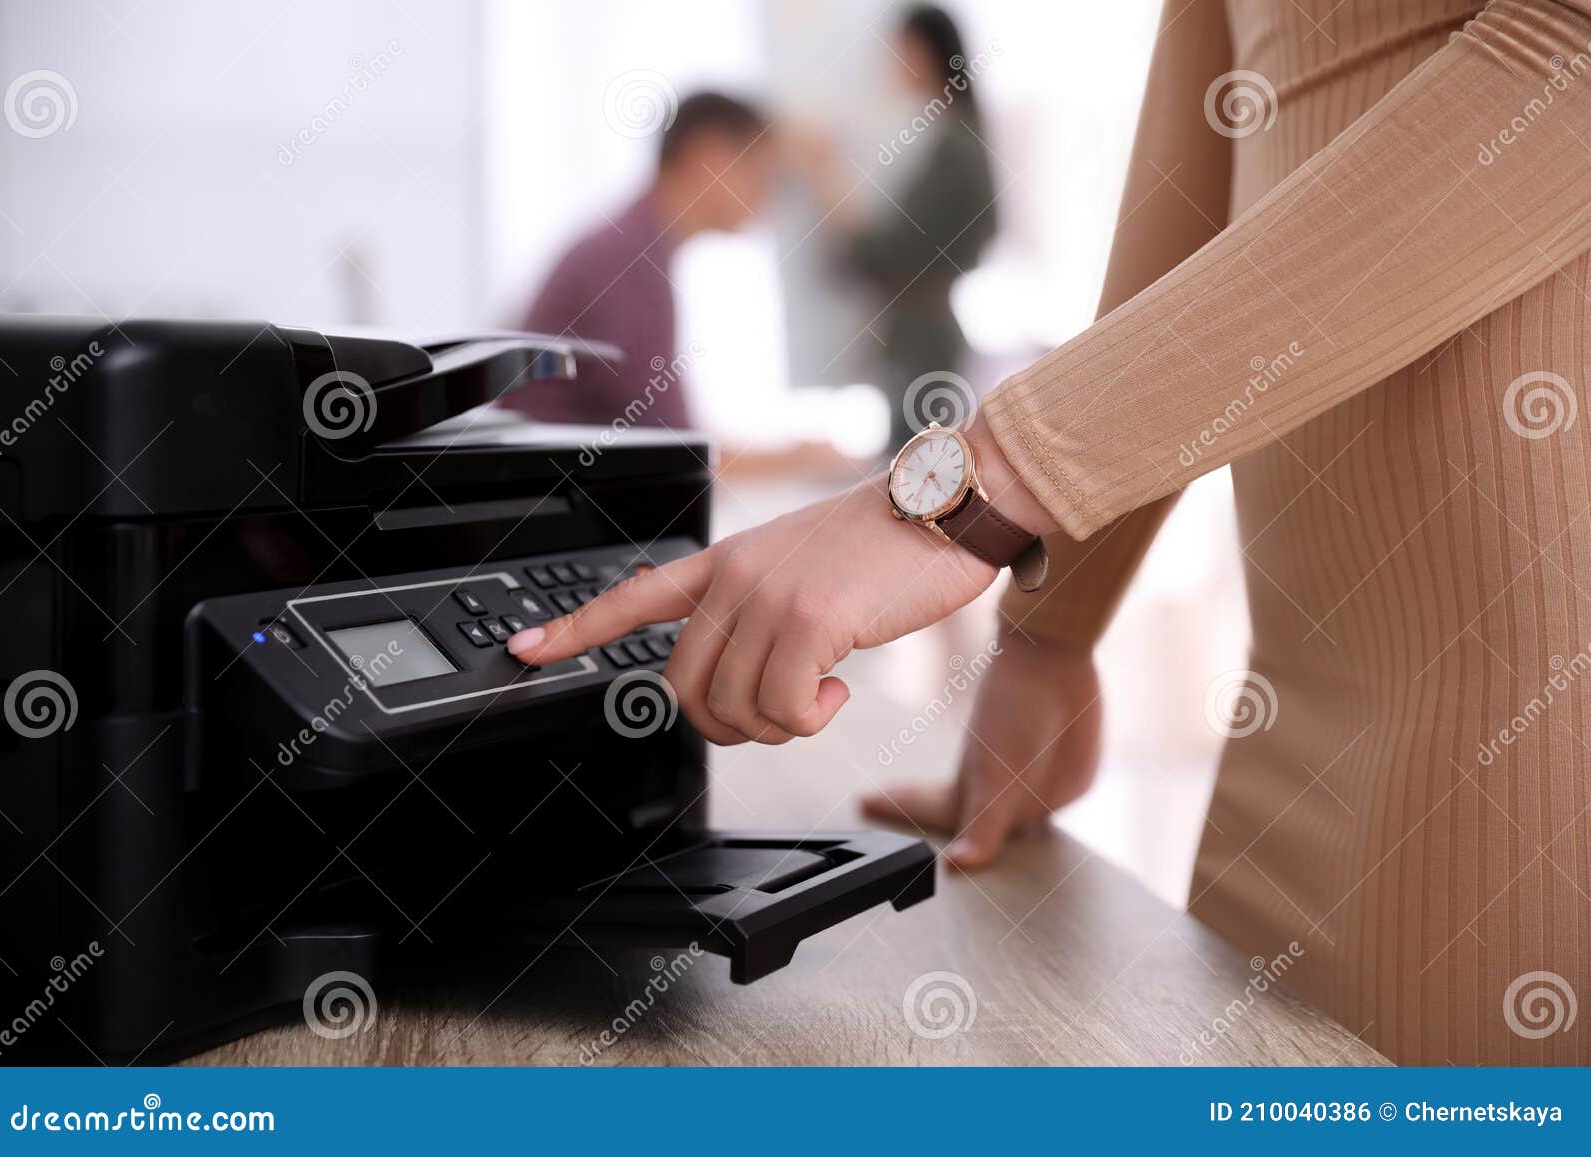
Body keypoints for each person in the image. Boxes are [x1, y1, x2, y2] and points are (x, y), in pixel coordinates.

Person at [509, 0, 1591, 1066]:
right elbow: (1195, 200)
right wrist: (1047, 627)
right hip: (1299, 705)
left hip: (1522, 677)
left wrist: (981, 488)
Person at [500, 92, 771, 428]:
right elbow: (672, 443)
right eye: (760, 170)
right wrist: (799, 456)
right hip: (556, 472)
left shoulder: (636, 242)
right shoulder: (628, 261)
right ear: (709, 154)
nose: (767, 192)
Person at [801, 4, 997, 451]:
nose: (890, 63)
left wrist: (824, 175)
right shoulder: (953, 137)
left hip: (923, 345)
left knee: (917, 476)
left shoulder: (954, 146)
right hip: (923, 340)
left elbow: (887, 253)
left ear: (921, 51)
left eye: (897, 50)